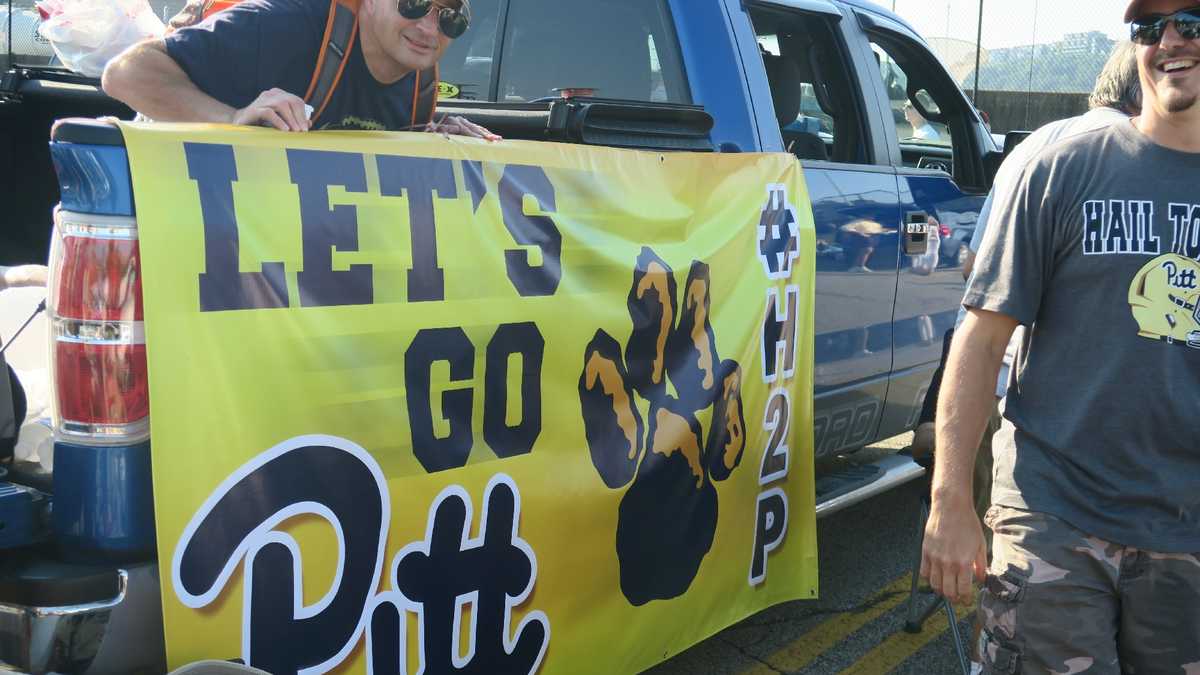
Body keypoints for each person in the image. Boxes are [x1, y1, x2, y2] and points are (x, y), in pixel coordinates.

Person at [922, 0, 1200, 670]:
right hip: (1054, 517)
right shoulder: (1060, 167)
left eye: (1190, 22)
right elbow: (981, 340)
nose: (1168, 41)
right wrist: (950, 499)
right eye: (1148, 28)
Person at [910, 40, 1142, 532]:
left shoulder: (1036, 145)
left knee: (987, 552)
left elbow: (977, 263)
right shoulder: (1133, 154)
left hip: (990, 380)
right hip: (1060, 403)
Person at [102, 0, 498, 138]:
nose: (429, 29)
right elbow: (124, 73)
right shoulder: (284, 24)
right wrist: (232, 118)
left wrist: (431, 147)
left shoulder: (422, 88)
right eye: (414, 3)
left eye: (450, 18)